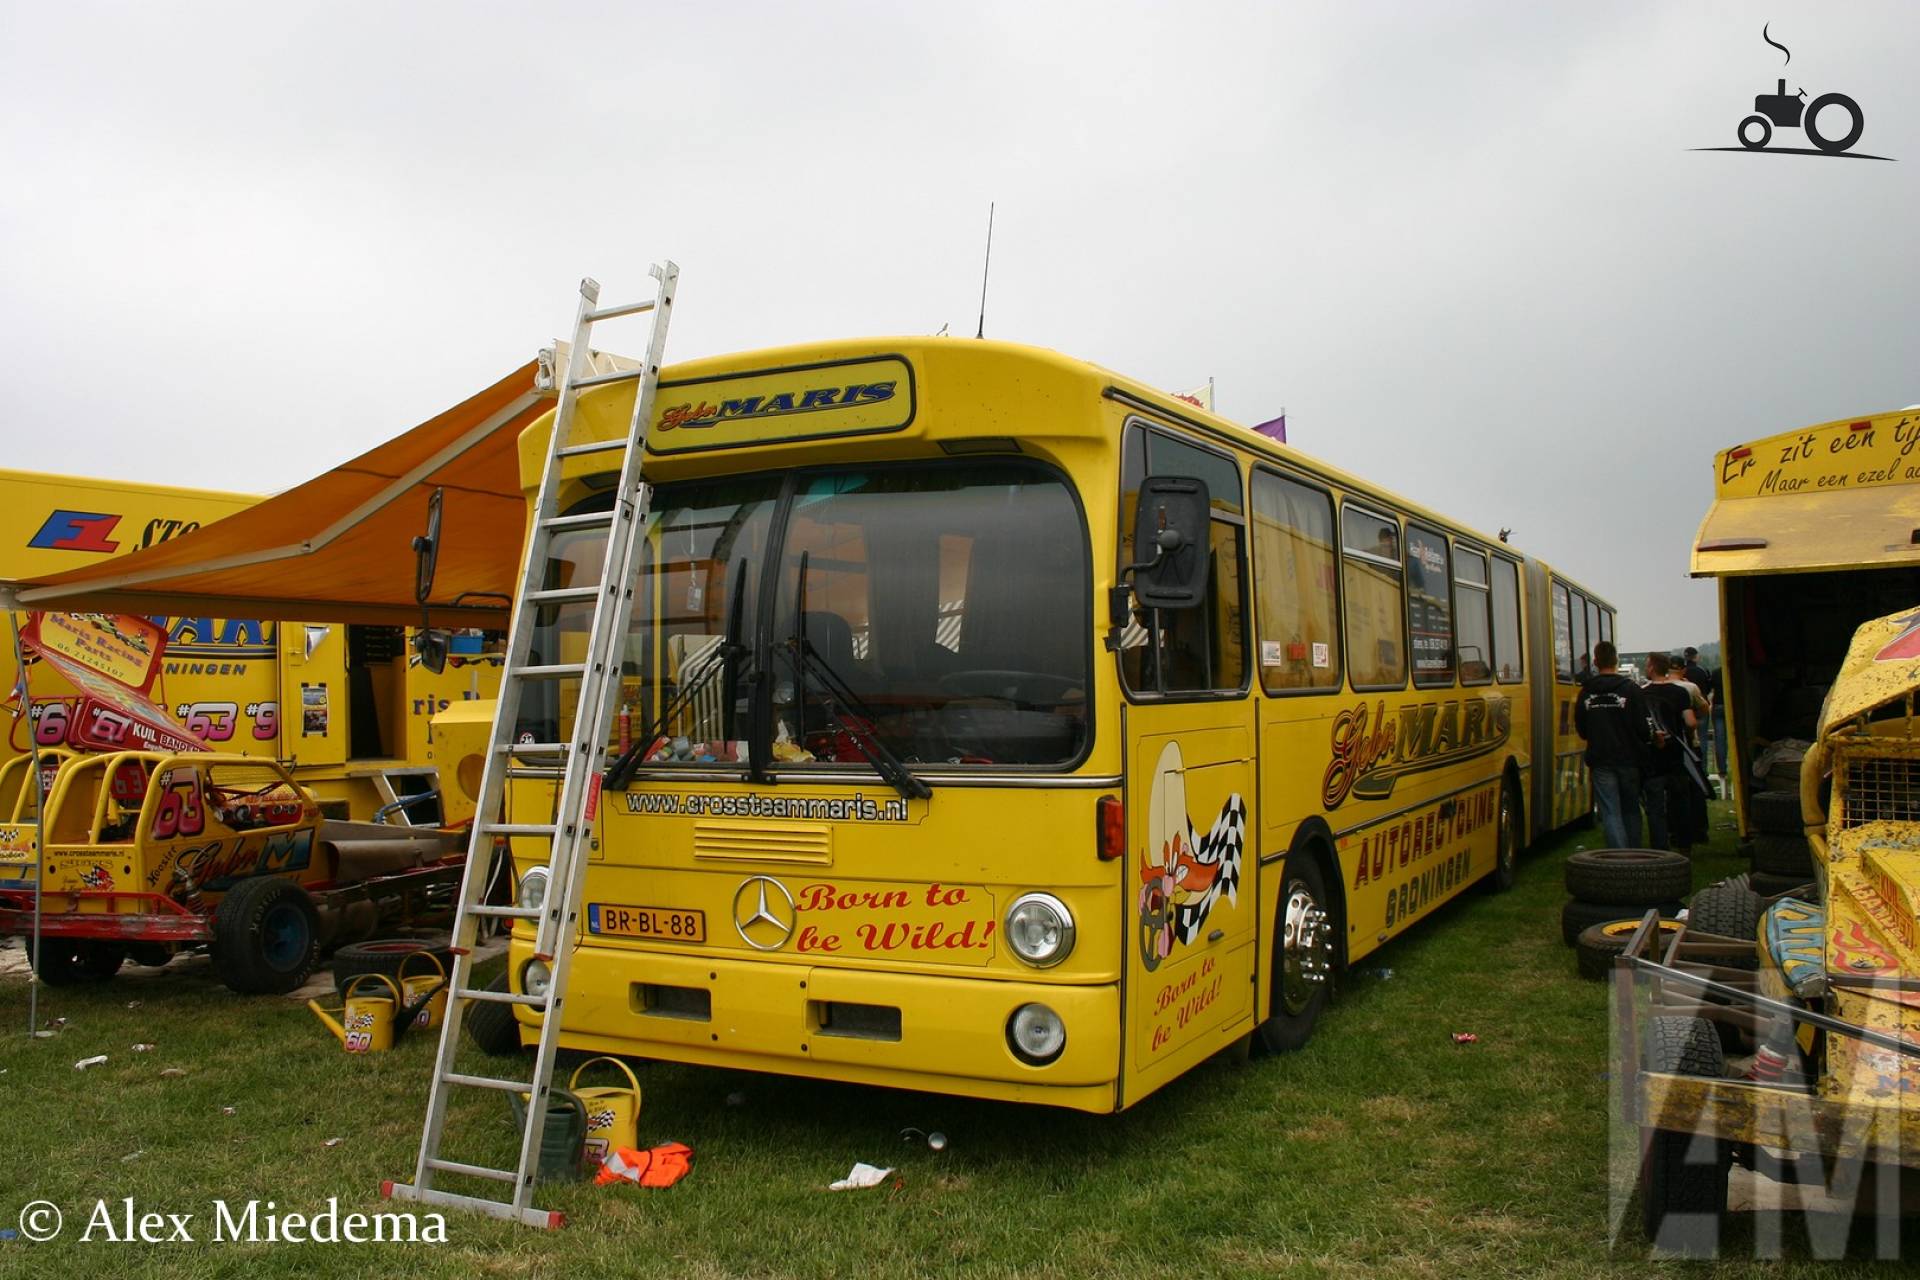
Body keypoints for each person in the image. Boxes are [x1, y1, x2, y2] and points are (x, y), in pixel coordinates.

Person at [1575, 640, 1655, 849]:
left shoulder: (1586, 692)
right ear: (1616, 660)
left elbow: (1582, 729)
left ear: (1595, 662)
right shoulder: (1631, 689)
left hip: (1601, 759)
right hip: (1629, 759)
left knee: (1610, 811)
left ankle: (1620, 857)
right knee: (1631, 809)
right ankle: (1635, 854)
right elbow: (1643, 727)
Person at [1641, 653, 1700, 854]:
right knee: (1681, 801)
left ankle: (1659, 848)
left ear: (1651, 668)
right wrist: (1688, 737)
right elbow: (1691, 722)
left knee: (1655, 806)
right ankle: (1684, 845)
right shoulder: (1680, 692)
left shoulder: (1641, 694)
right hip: (1676, 754)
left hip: (1653, 757)